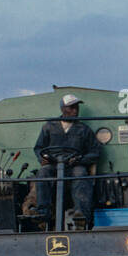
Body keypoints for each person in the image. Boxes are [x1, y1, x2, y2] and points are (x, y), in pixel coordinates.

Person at [33, 94, 101, 229]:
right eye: (72, 107)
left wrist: (80, 160)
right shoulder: (49, 127)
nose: (75, 110)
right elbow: (39, 147)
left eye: (76, 107)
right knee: (43, 172)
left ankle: (81, 215)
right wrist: (43, 159)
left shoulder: (84, 129)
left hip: (74, 165)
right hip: (53, 165)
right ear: (63, 109)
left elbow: (95, 152)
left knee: (80, 173)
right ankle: (42, 214)